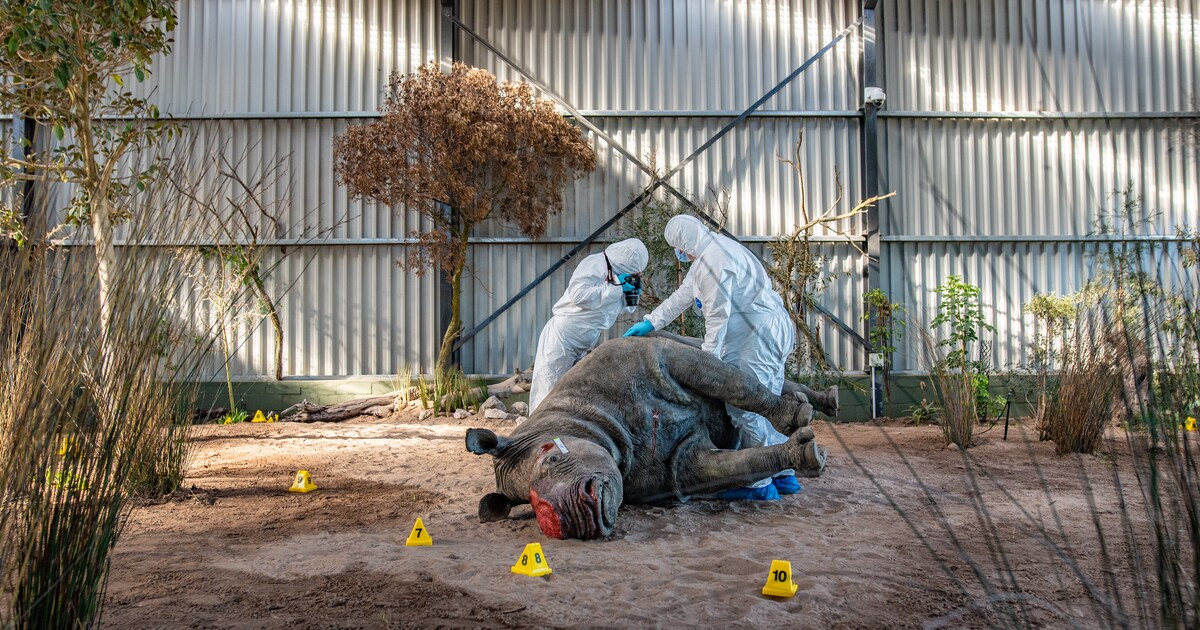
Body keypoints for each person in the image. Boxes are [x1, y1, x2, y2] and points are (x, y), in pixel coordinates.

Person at [623, 215, 799, 501]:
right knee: (769, 401)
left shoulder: (711, 262)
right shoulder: (715, 249)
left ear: (683, 243)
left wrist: (707, 366)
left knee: (747, 406)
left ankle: (759, 482)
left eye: (677, 247)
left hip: (754, 336)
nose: (678, 253)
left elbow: (717, 317)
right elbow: (683, 296)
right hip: (769, 329)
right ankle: (784, 472)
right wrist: (651, 322)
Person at [529, 238, 649, 413]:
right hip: (562, 338)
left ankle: (566, 435)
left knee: (574, 393)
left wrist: (630, 295)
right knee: (548, 391)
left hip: (587, 340)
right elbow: (579, 295)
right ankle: (538, 437)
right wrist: (616, 286)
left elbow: (609, 308)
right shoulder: (595, 263)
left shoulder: (617, 276)